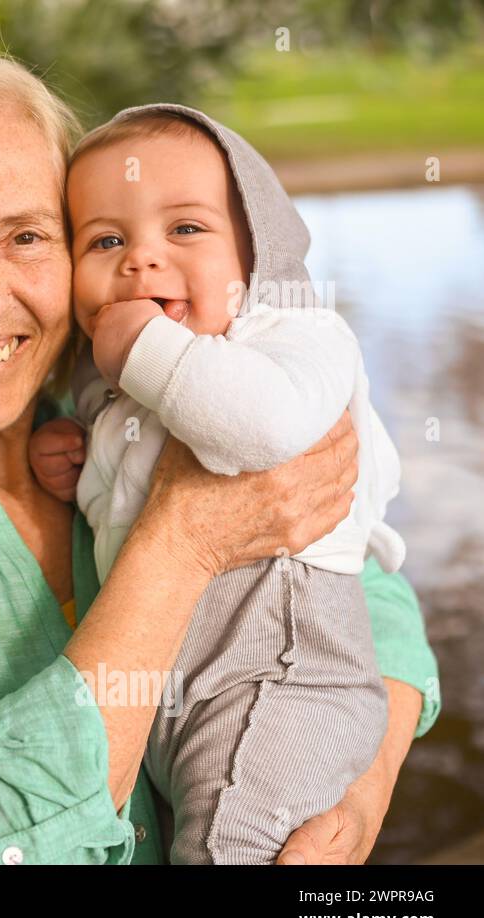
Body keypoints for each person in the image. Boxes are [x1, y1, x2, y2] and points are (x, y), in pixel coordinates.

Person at [0, 55, 439, 864]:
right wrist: (183, 542)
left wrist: (365, 784)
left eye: (26, 236)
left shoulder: (118, 418)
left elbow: (364, 579)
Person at [29, 104, 405, 863]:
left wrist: (142, 346)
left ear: (255, 253)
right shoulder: (121, 388)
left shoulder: (294, 334)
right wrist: (74, 456)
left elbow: (265, 428)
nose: (141, 260)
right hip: (176, 699)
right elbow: (130, 498)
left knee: (236, 848)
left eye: (186, 230)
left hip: (284, 676)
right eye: (106, 241)